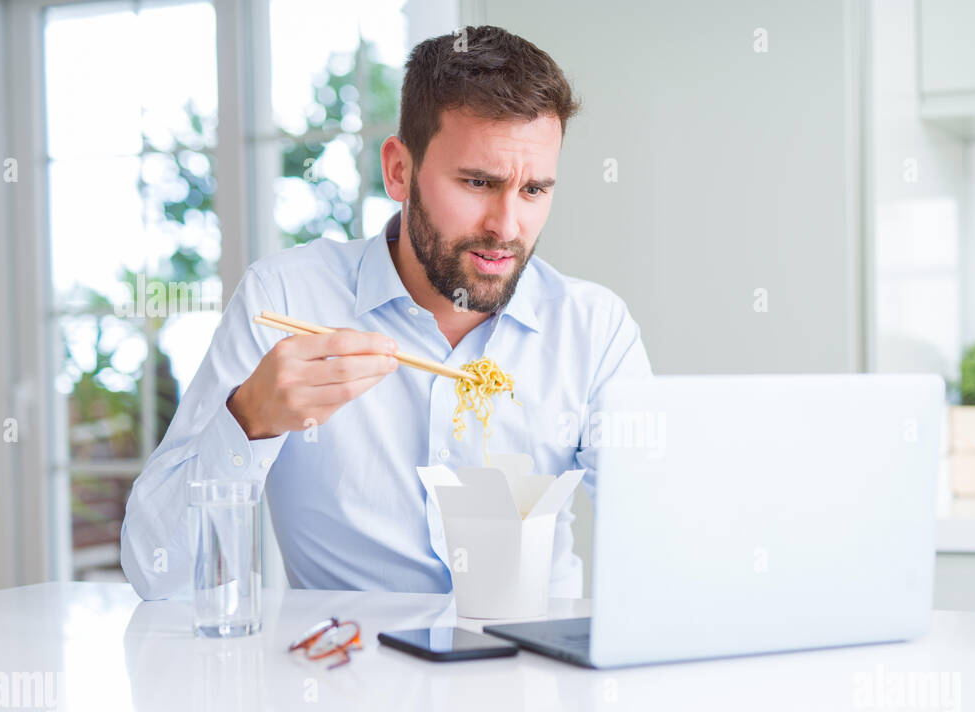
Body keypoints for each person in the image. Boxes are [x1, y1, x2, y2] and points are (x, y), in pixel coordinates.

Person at [120, 26, 652, 600]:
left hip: (538, 673)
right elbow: (157, 573)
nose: (507, 226)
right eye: (478, 182)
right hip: (350, 675)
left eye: (534, 191)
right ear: (399, 171)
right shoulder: (286, 299)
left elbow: (659, 535)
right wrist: (249, 420)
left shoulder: (593, 329)